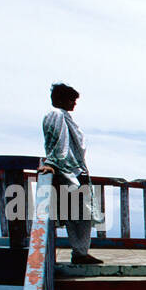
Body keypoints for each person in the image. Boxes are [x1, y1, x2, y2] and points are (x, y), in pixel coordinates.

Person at [40, 83, 101, 264]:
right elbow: (57, 140)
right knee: (78, 214)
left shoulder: (64, 116)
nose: (74, 103)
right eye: (71, 99)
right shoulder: (56, 115)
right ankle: (80, 252)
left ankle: (80, 252)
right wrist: (51, 162)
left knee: (80, 214)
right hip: (69, 172)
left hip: (74, 171)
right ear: (60, 99)